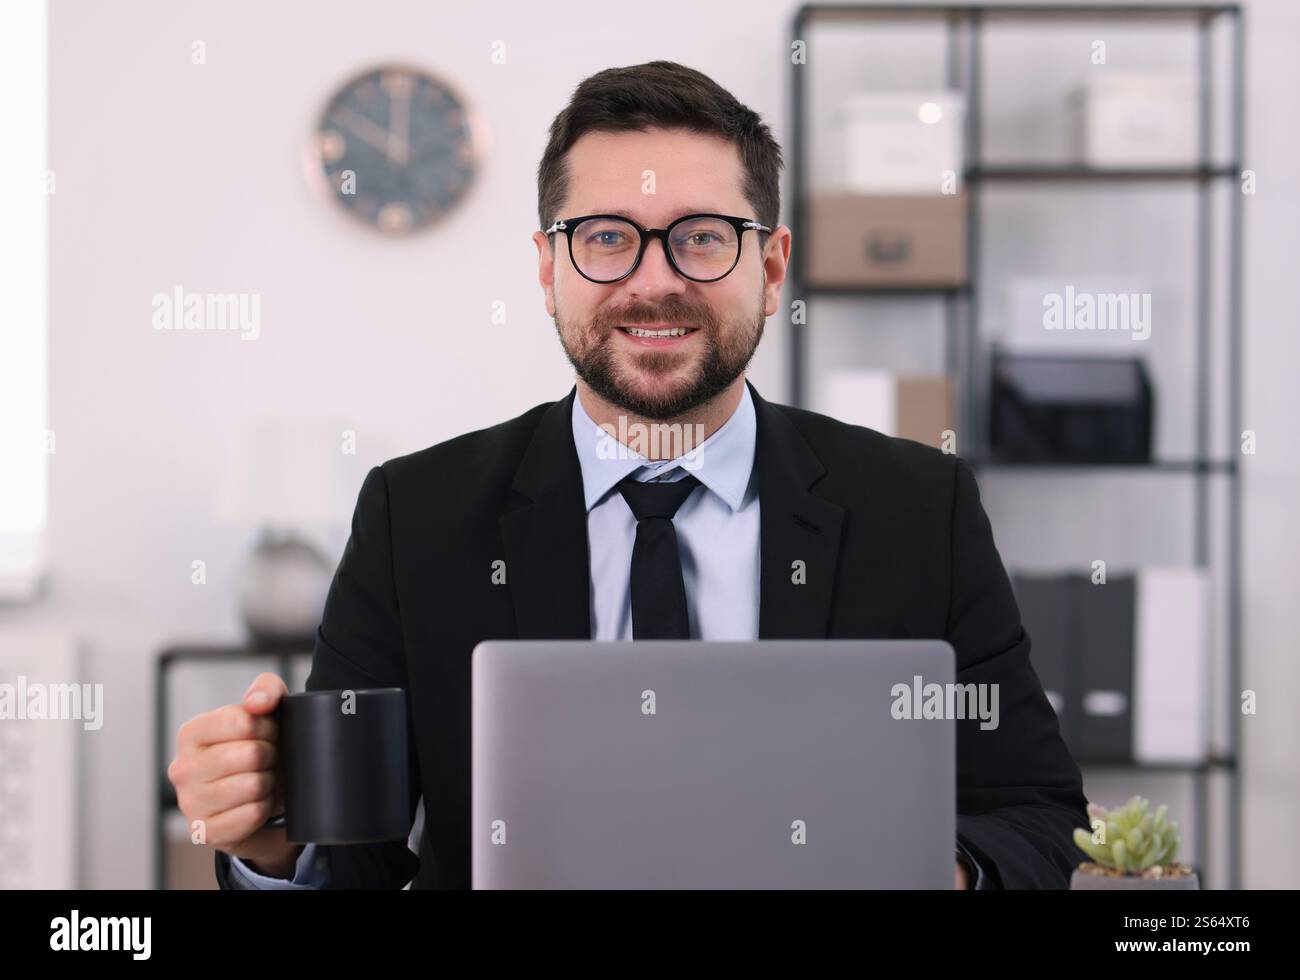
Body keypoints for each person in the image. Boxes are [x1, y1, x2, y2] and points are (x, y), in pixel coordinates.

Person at [167, 60, 1089, 890]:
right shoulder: (416, 516)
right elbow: (351, 865)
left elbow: (1040, 817)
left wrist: (931, 876)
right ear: (548, 270)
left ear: (771, 268)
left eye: (703, 237)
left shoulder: (919, 508)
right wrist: (271, 842)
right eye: (607, 237)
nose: (654, 282)